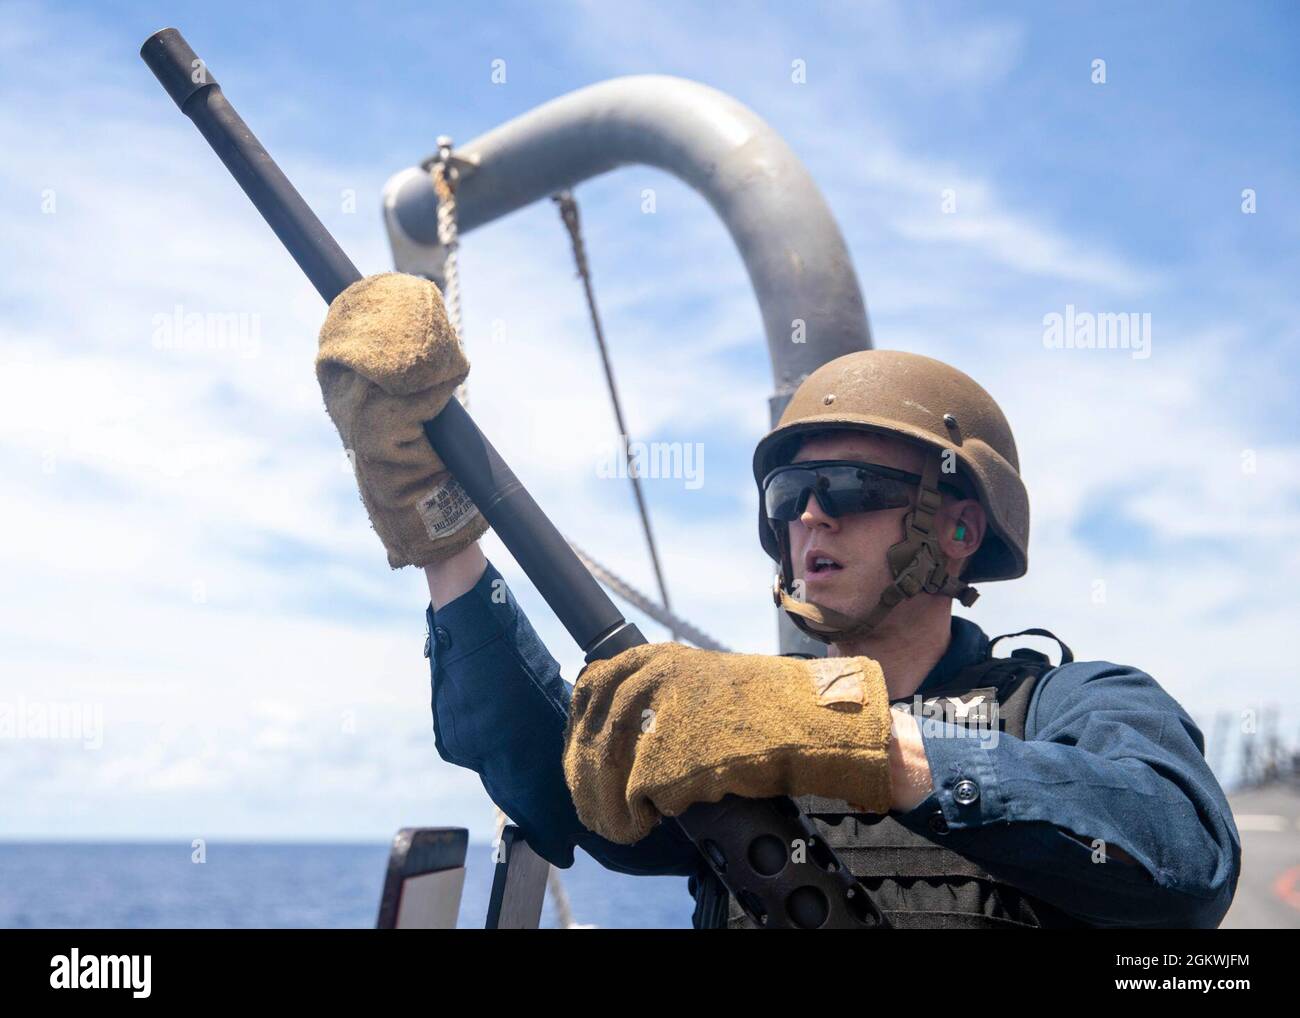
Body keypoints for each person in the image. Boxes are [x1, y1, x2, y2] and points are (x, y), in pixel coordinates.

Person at [317, 272, 1240, 928]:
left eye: (844, 488)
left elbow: (1185, 858)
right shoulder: (736, 727)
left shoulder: (1070, 705)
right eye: (786, 497)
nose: (809, 518)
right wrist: (442, 537)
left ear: (958, 530)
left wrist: (850, 733)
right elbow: (560, 782)